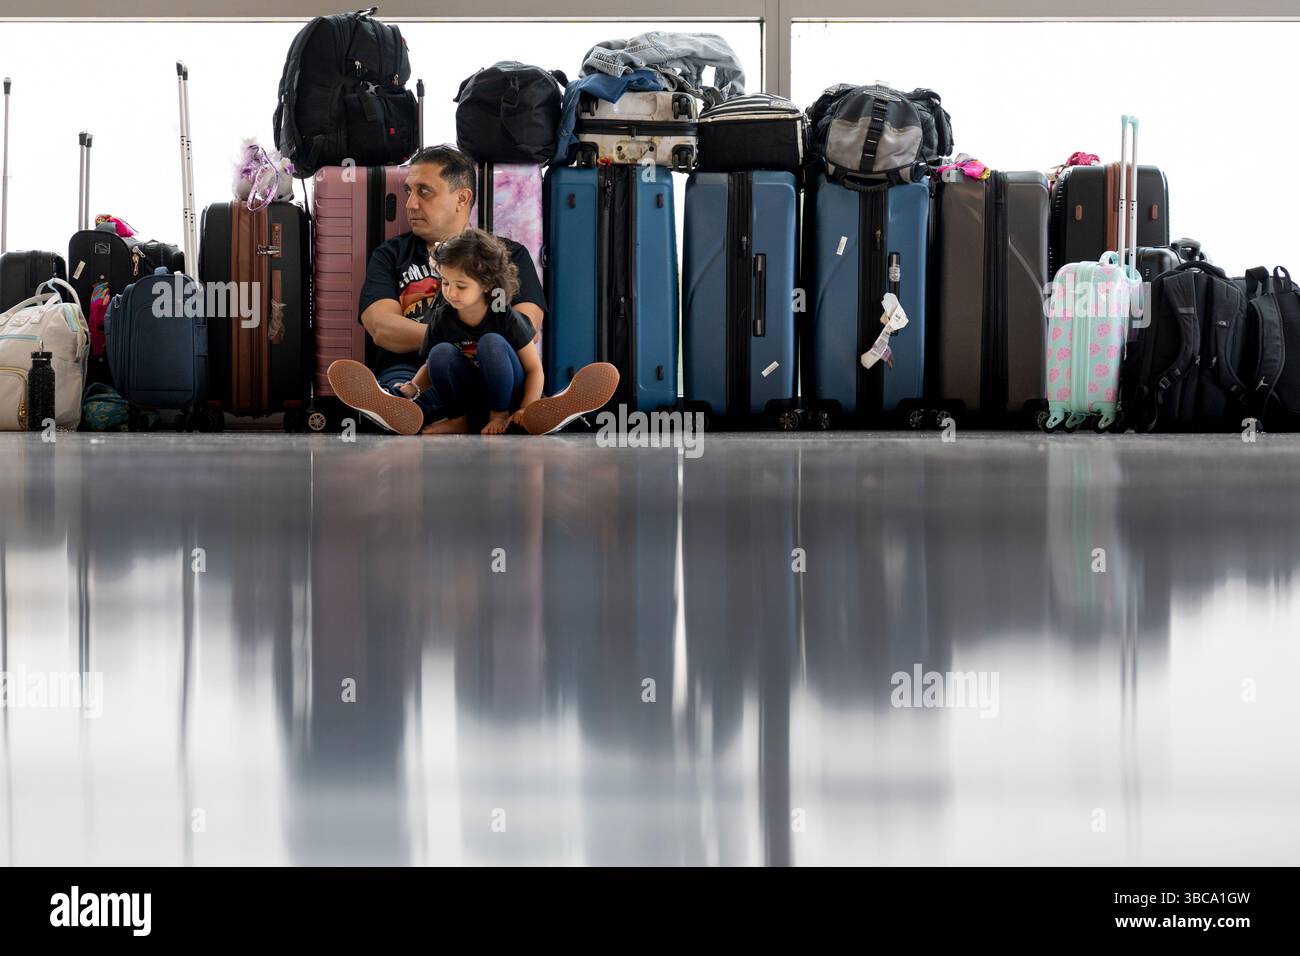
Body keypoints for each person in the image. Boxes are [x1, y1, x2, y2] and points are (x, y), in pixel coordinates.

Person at [328, 228, 618, 435]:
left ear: (487, 284)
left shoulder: (505, 315)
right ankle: (457, 418)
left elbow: (533, 369)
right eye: (445, 283)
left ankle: (526, 415)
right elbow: (432, 366)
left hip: (507, 393)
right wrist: (412, 388)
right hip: (469, 395)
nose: (451, 292)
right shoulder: (443, 317)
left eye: (461, 286)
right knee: (441, 352)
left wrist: (526, 407)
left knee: (491, 344)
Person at [342, 144, 546, 430]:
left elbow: (528, 325)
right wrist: (457, 337)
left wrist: (468, 339)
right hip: (417, 370)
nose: (411, 204)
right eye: (408, 192)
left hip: (492, 368)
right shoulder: (390, 254)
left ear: (462, 198)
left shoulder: (507, 254)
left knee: (497, 357)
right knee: (404, 386)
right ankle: (399, 407)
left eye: (424, 191)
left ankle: (529, 411)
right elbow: (382, 328)